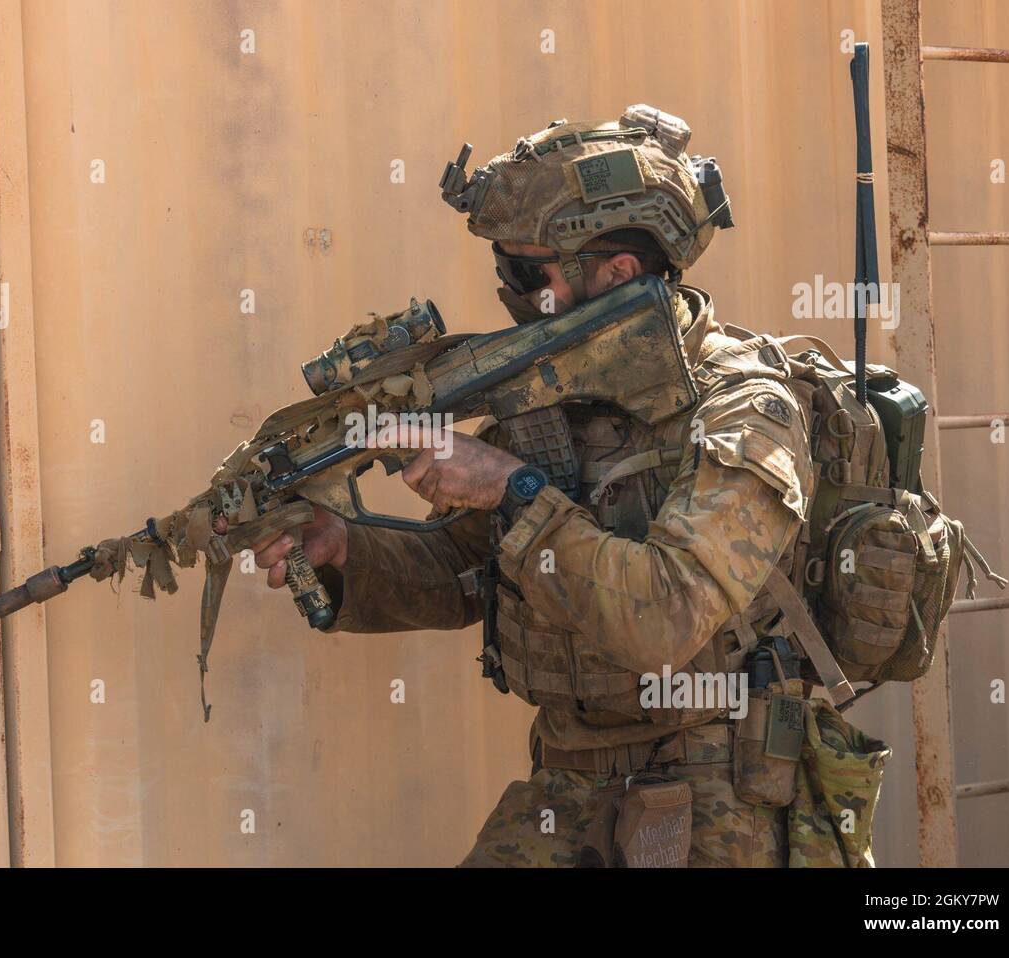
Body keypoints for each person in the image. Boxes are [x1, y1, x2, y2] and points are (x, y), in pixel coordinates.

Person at [246, 106, 816, 867]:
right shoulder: (556, 393)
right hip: (570, 775)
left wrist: (509, 486)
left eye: (526, 271)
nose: (508, 292)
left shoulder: (742, 405)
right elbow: (472, 575)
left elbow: (666, 618)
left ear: (618, 273)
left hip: (716, 785)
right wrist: (345, 550)